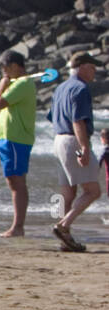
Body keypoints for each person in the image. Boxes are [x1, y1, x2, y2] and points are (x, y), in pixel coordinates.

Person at [49, 52, 103, 252]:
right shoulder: (80, 89)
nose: (94, 71)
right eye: (92, 67)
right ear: (80, 67)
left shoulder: (60, 88)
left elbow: (51, 116)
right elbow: (77, 120)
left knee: (67, 191)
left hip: (58, 140)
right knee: (92, 191)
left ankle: (64, 236)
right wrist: (85, 147)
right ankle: (63, 225)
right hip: (73, 140)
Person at [0, 50, 37, 238]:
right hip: (9, 138)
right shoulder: (18, 83)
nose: (4, 72)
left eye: (5, 68)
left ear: (15, 66)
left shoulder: (24, 83)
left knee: (17, 181)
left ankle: (18, 226)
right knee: (13, 179)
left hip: (17, 138)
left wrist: (2, 86)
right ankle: (17, 225)